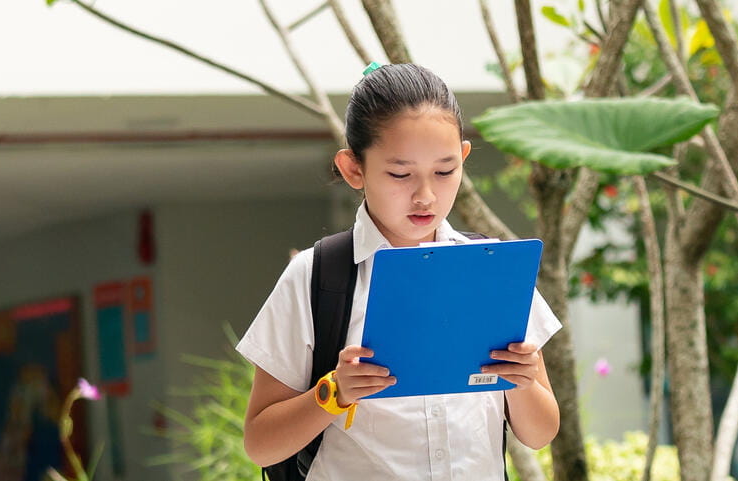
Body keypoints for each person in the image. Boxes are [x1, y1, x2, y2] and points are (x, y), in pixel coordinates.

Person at [237, 63, 563, 480]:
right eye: (400, 174)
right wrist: (334, 392)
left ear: (464, 157)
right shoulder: (317, 277)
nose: (425, 195)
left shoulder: (492, 268)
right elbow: (260, 443)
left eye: (445, 171)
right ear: (353, 168)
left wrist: (524, 383)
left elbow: (540, 433)